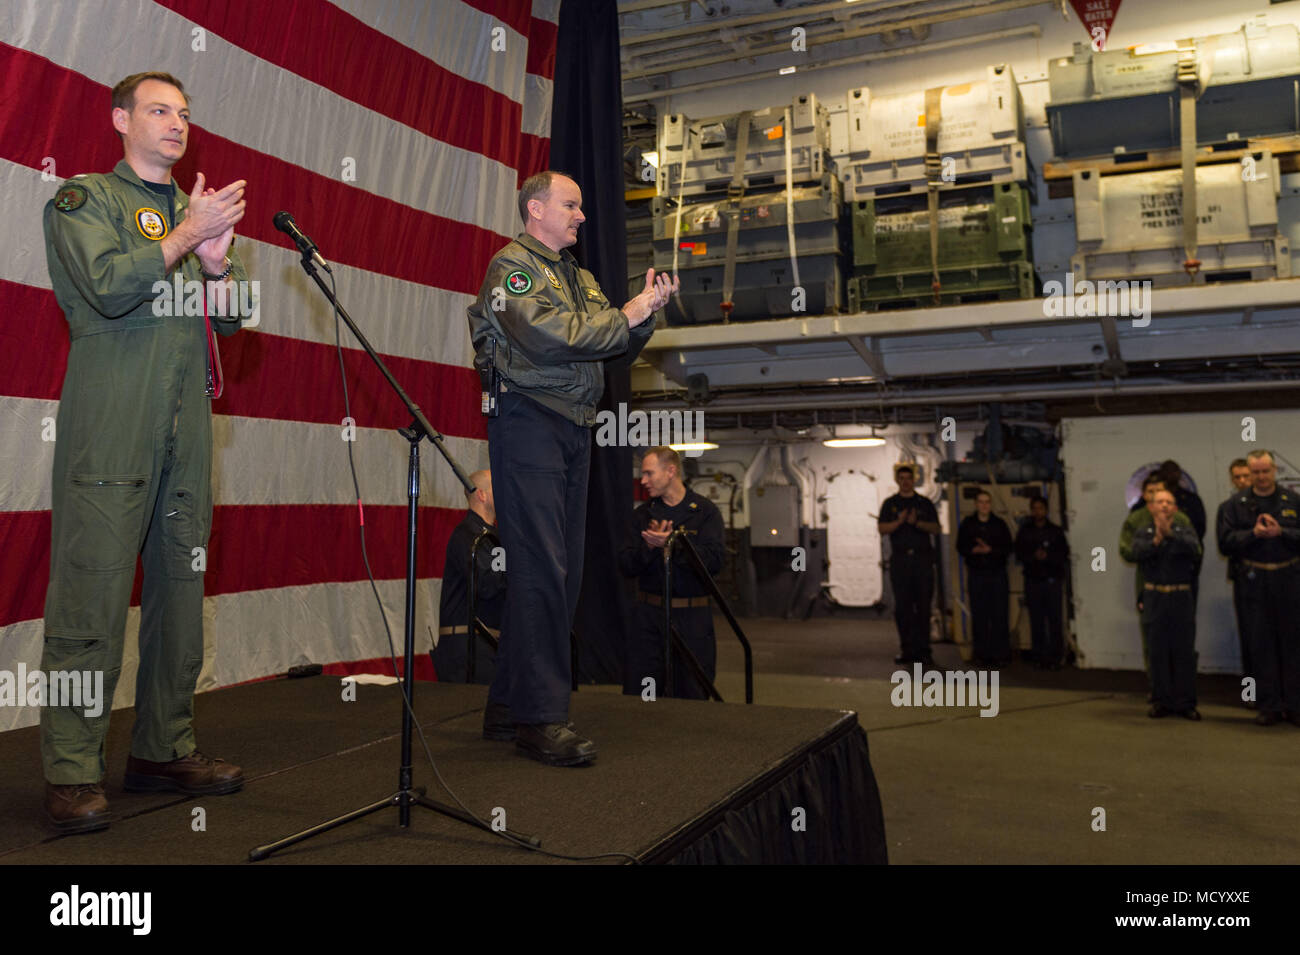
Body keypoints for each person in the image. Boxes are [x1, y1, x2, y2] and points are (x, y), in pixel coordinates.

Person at [40, 72, 252, 833]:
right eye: (159, 110)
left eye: (185, 113)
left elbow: (233, 328)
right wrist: (189, 238)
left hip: (185, 429)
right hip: (111, 423)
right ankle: (70, 768)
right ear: (120, 117)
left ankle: (163, 746)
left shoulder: (193, 215)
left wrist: (221, 264)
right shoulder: (84, 199)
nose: (177, 123)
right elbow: (103, 283)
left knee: (180, 594)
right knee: (88, 602)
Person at [466, 170, 678, 766]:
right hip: (530, 420)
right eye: (571, 205)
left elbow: (608, 346)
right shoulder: (511, 268)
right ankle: (541, 717)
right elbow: (548, 338)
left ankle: (510, 706)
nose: (582, 215)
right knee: (541, 568)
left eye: (582, 206)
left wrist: (646, 314)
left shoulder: (579, 277)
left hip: (574, 424)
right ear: (536, 210)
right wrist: (627, 312)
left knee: (563, 572)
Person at [618, 447, 725, 700]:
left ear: (670, 471)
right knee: (642, 691)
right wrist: (648, 547)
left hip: (692, 618)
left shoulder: (705, 512)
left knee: (692, 691)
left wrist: (675, 545)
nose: (643, 481)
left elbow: (715, 562)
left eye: (648, 473)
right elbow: (625, 565)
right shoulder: (641, 516)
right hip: (649, 617)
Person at [1216, 450, 1300, 726]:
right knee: (1260, 643)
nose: (1261, 477)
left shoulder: (1293, 500)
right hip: (1253, 582)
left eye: (1266, 471)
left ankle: (1295, 704)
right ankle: (1269, 705)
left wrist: (1282, 533)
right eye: (1256, 472)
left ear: (1274, 469)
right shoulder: (1233, 505)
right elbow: (1225, 543)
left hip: (1289, 578)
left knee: (1292, 643)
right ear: (1247, 473)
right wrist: (1253, 534)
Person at [1130, 489, 1203, 719]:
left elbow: (1195, 550)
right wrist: (1157, 540)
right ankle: (1161, 701)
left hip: (1180, 597)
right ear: (1151, 506)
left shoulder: (1185, 529)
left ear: (1174, 508)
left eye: (1168, 502)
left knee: (1183, 651)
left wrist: (1170, 534)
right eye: (1159, 502)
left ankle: (1185, 702)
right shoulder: (1143, 532)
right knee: (1157, 650)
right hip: (1154, 598)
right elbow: (1136, 553)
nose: (1163, 506)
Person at [431, 470, 504, 685]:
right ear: (481, 494)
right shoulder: (468, 534)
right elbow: (489, 584)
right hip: (469, 647)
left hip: (489, 645)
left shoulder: (494, 536)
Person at [1120, 475, 1194, 675]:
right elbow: (1127, 552)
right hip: (1149, 585)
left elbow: (1195, 551)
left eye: (1162, 493)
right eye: (1152, 493)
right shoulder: (1136, 520)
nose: (1160, 502)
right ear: (1145, 496)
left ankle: (1181, 696)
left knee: (1180, 641)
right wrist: (1152, 543)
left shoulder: (1181, 519)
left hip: (1178, 585)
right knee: (1153, 642)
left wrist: (1171, 536)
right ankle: (1157, 692)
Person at [878, 466, 941, 666]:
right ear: (897, 480)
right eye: (902, 478)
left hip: (922, 562)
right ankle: (907, 650)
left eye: (909, 478)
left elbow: (937, 529)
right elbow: (881, 528)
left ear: (914, 480)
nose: (905, 481)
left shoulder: (924, 503)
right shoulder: (890, 504)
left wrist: (917, 523)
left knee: (923, 607)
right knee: (903, 608)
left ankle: (924, 651)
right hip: (901, 562)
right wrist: (898, 522)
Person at [955, 489, 1012, 666]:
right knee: (980, 614)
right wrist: (974, 550)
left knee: (999, 615)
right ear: (976, 504)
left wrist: (991, 551)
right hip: (977, 574)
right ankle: (981, 654)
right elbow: (960, 546)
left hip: (997, 574)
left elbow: (1008, 547)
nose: (984, 505)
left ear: (990, 504)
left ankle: (1000, 654)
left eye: (987, 502)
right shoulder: (968, 525)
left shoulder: (999, 524)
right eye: (981, 502)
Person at [1014, 496, 1069, 669]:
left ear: (1046, 510)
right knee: (1036, 619)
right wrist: (1033, 557)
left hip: (1052, 581)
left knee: (1054, 619)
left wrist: (1048, 557)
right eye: (1035, 508)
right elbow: (1019, 553)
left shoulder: (1055, 531)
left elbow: (1063, 553)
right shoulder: (1025, 532)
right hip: (1033, 580)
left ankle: (1056, 656)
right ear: (1032, 510)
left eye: (1041, 508)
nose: (1038, 511)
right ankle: (1039, 655)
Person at [1216, 458, 1253, 684]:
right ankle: (1252, 692)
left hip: (1278, 578)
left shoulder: (1279, 503)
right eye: (1237, 477)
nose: (1242, 481)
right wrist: (1252, 535)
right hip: (1244, 577)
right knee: (1249, 636)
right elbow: (1225, 544)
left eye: (1246, 476)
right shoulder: (1228, 509)